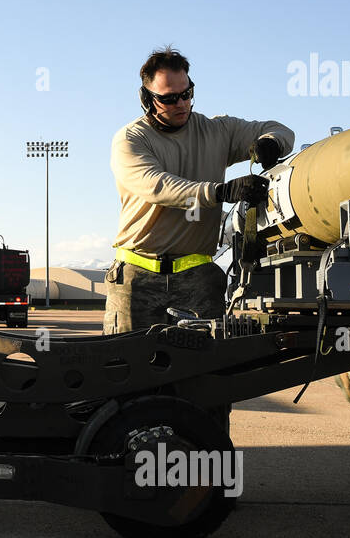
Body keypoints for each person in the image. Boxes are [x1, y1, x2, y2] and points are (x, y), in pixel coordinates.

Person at [105, 47, 294, 335]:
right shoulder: (131, 139)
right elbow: (158, 186)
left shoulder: (217, 131)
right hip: (136, 280)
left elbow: (280, 130)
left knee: (206, 372)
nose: (181, 103)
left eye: (186, 93)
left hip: (198, 280)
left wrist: (271, 143)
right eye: (168, 99)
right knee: (128, 369)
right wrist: (220, 192)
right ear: (147, 99)